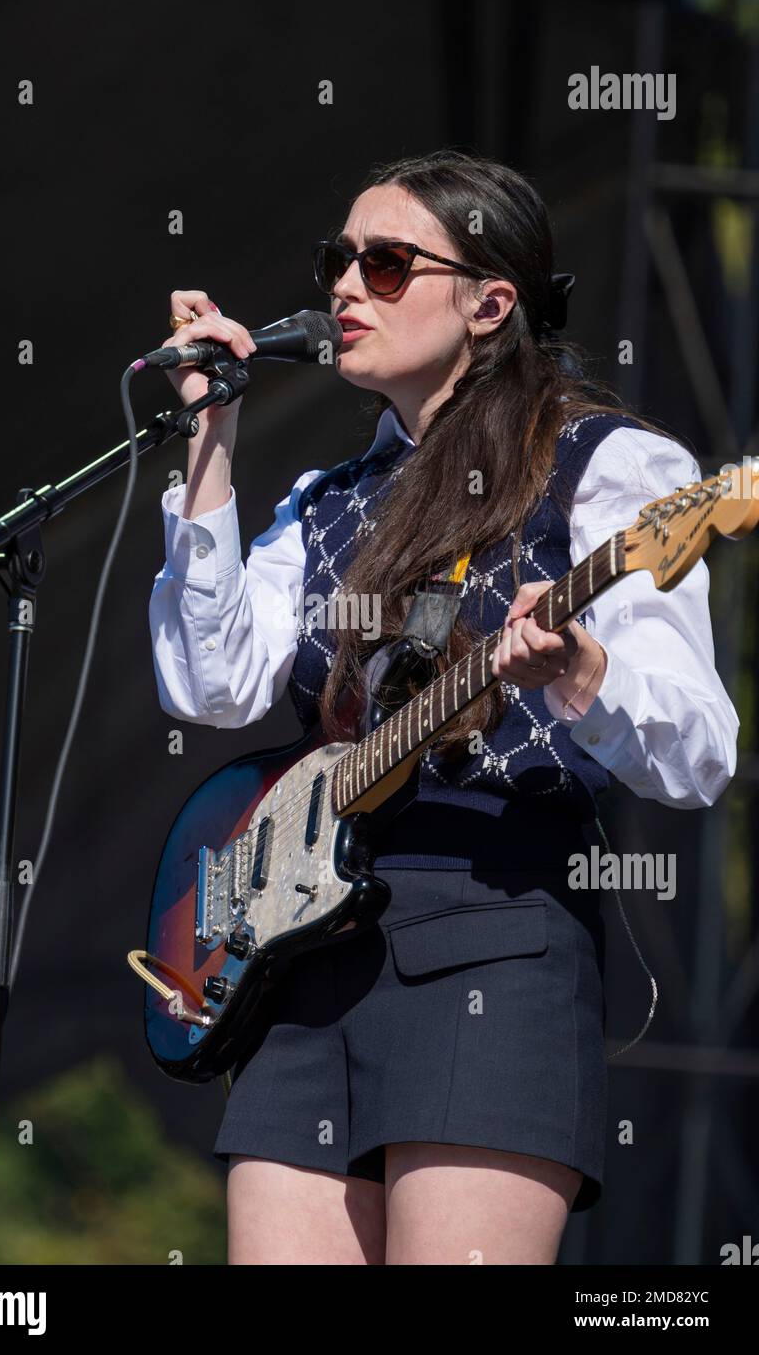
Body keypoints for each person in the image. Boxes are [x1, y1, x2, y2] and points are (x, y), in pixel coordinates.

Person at [148, 149, 739, 1265]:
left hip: (492, 941)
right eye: (338, 263)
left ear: (491, 302)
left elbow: (702, 749)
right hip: (306, 959)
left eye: (384, 263)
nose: (343, 292)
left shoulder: (605, 467)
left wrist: (576, 675)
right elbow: (208, 681)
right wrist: (209, 443)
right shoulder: (325, 499)